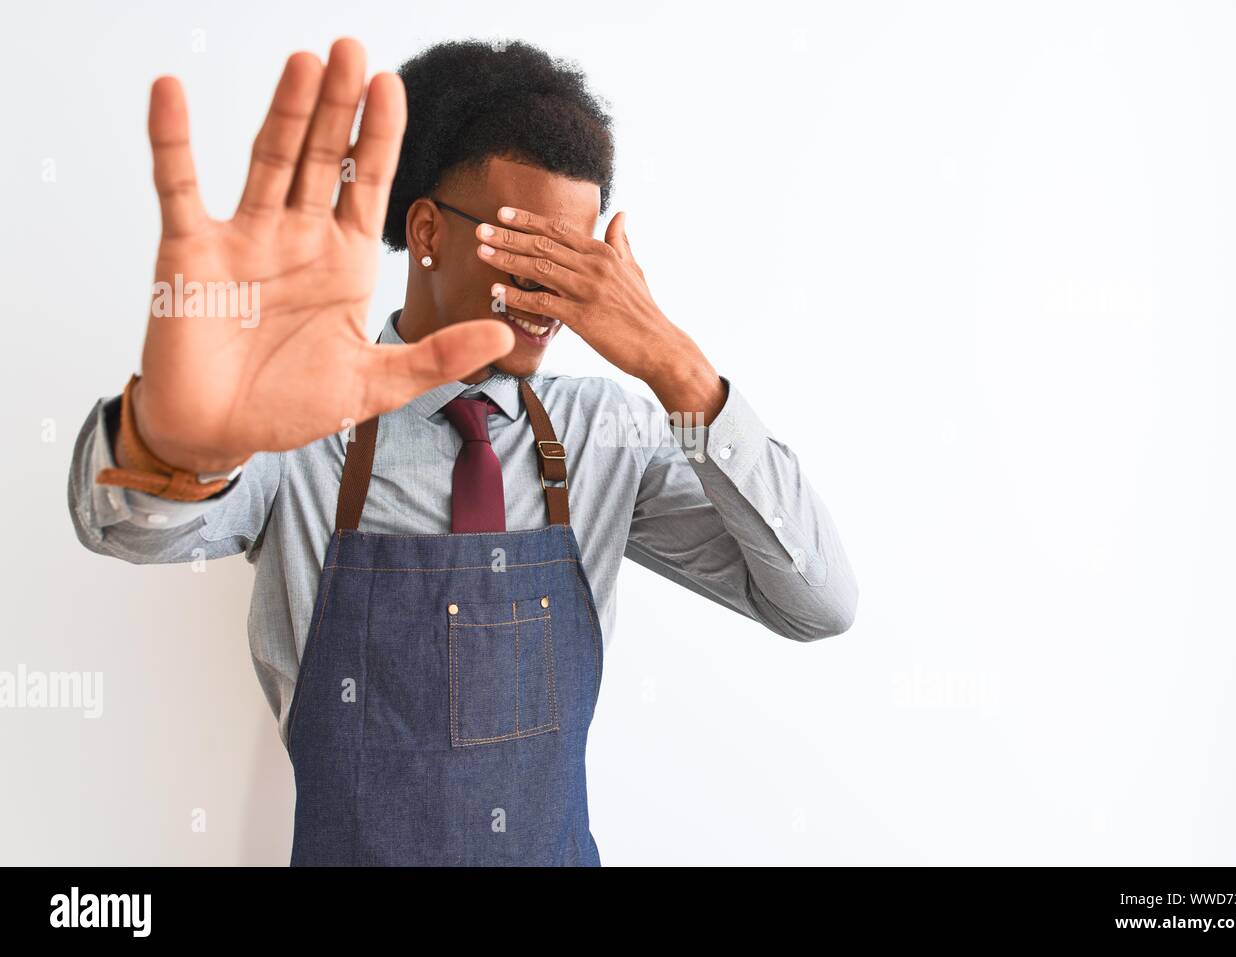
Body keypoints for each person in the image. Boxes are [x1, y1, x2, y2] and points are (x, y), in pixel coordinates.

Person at [67, 36, 858, 866]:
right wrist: (166, 441)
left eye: (577, 266)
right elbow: (121, 527)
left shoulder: (602, 437)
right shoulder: (302, 423)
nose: (551, 298)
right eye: (526, 254)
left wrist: (677, 366)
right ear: (426, 231)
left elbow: (817, 602)